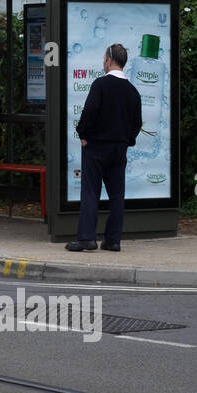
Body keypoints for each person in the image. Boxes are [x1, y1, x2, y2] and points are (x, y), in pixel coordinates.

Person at [67, 43, 142, 252]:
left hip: (97, 146)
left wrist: (83, 134)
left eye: (103, 59)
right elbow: (137, 122)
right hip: (119, 149)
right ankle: (113, 240)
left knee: (90, 191)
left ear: (109, 59)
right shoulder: (133, 91)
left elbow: (90, 111)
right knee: (117, 195)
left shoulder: (100, 84)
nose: (103, 62)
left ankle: (86, 238)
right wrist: (128, 140)